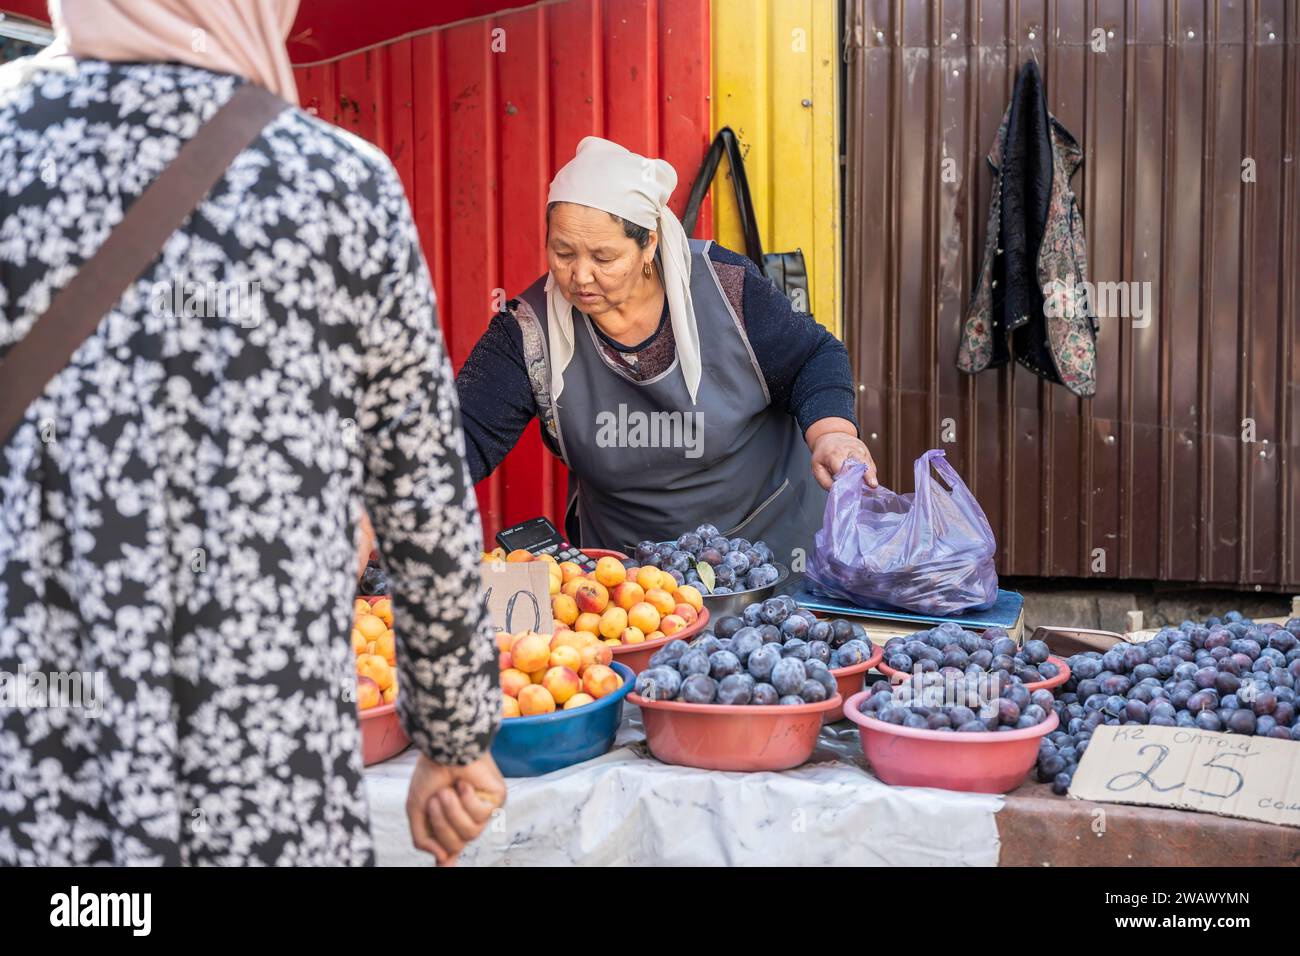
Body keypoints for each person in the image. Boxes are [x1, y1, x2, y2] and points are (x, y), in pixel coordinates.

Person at [0, 0, 503, 866]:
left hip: (33, 772)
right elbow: (424, 505)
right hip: (268, 776)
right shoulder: (340, 187)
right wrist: (456, 743)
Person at [456, 136, 878, 566]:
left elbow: (814, 356)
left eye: (603, 257)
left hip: (767, 556)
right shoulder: (527, 333)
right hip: (631, 582)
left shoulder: (725, 289)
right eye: (563, 253)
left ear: (649, 245)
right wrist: (395, 506)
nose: (579, 275)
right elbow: (461, 433)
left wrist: (833, 435)